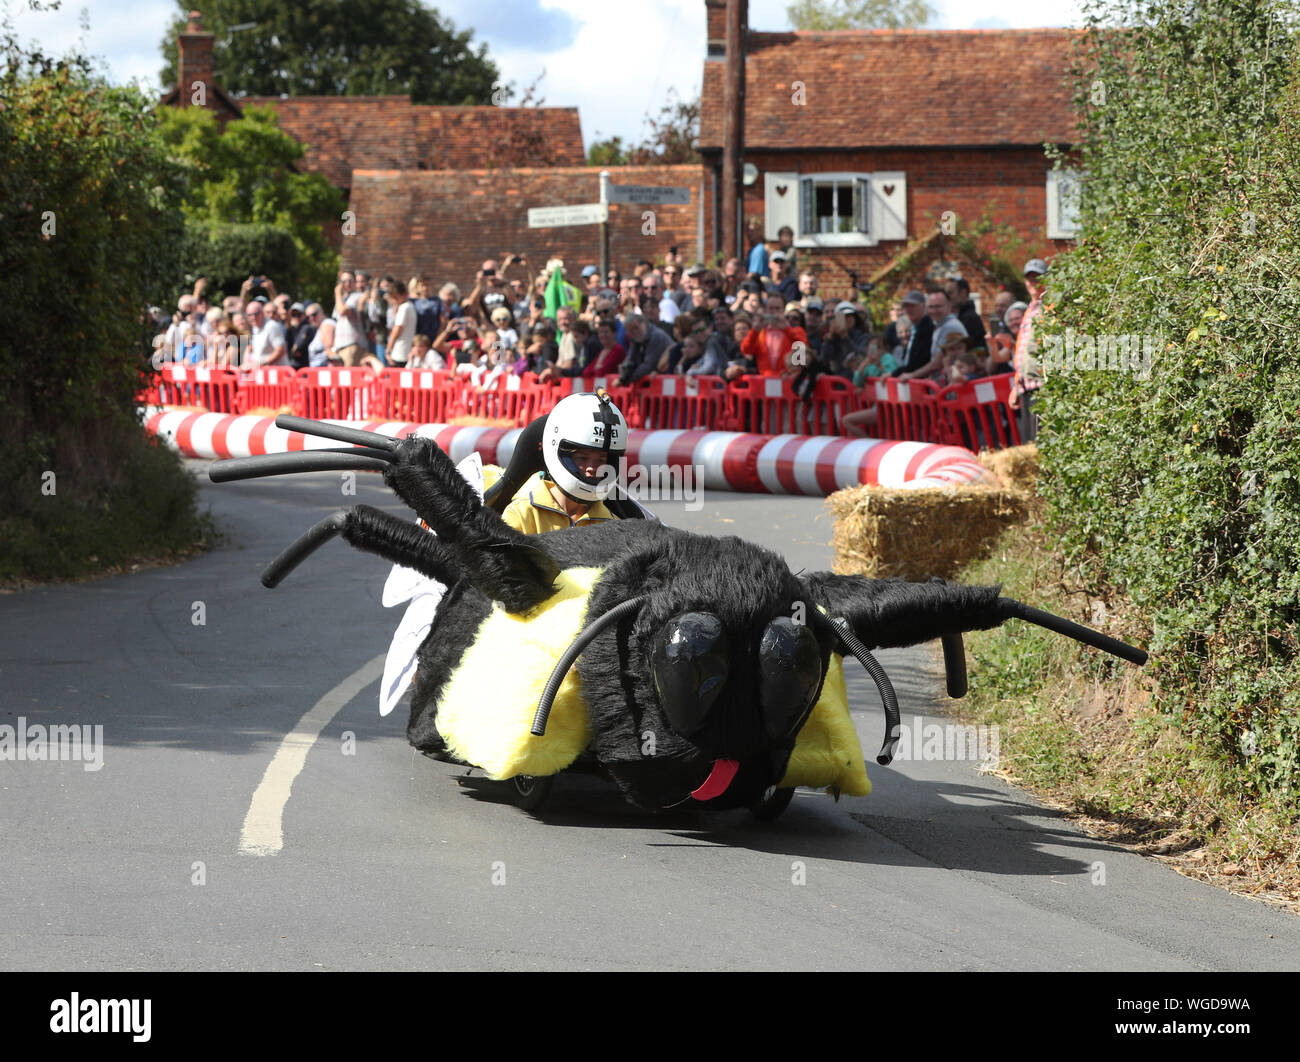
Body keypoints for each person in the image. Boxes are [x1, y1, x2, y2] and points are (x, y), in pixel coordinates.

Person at [499, 392, 630, 533]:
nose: (592, 468)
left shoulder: (613, 525)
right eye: (583, 458)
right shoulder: (521, 515)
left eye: (601, 460)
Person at [1011, 258, 1048, 440]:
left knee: (1040, 441)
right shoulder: (1030, 309)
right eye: (1029, 279)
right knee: (1029, 442)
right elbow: (1022, 349)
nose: (1033, 283)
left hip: (1042, 384)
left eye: (1037, 278)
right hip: (1026, 385)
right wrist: (1016, 385)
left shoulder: (1051, 307)